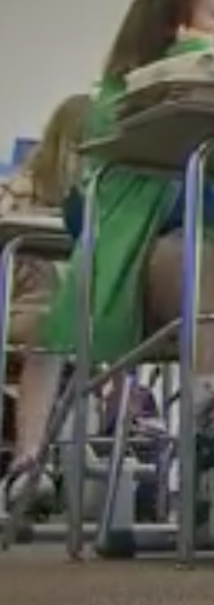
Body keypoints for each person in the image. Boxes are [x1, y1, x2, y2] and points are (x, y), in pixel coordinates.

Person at [4, 0, 214, 506]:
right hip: (136, 274)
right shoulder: (112, 103)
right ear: (172, 25)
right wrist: (184, 72)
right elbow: (115, 196)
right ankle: (207, 406)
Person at [1, 95, 90, 494]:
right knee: (52, 324)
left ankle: (95, 447)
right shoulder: (12, 195)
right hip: (20, 309)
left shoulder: (101, 202)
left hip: (78, 314)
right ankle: (29, 460)